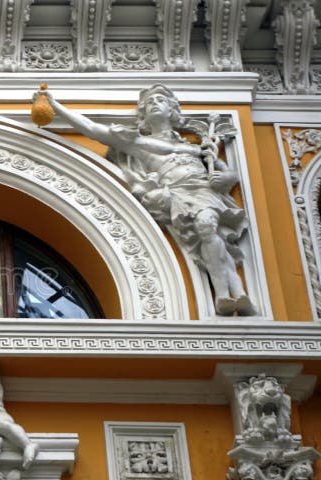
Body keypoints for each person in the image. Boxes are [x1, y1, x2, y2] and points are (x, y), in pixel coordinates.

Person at [33, 84, 254, 316]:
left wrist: (226, 177)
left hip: (204, 191)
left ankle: (234, 294)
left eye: (160, 100)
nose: (154, 104)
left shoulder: (195, 146)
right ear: (143, 115)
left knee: (212, 234)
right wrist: (55, 106)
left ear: (172, 110)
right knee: (207, 230)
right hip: (178, 194)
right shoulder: (138, 143)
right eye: (149, 103)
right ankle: (225, 294)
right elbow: (93, 129)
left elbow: (225, 172)